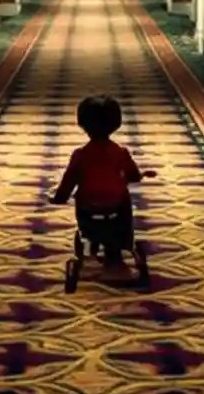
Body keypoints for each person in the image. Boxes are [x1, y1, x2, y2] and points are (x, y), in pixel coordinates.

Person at [50, 95, 155, 266]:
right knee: (125, 196)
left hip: (87, 211)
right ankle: (124, 242)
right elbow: (133, 176)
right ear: (116, 123)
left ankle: (90, 242)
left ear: (82, 124)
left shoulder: (80, 155)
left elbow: (68, 183)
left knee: (81, 195)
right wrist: (142, 175)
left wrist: (58, 198)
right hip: (116, 211)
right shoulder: (121, 153)